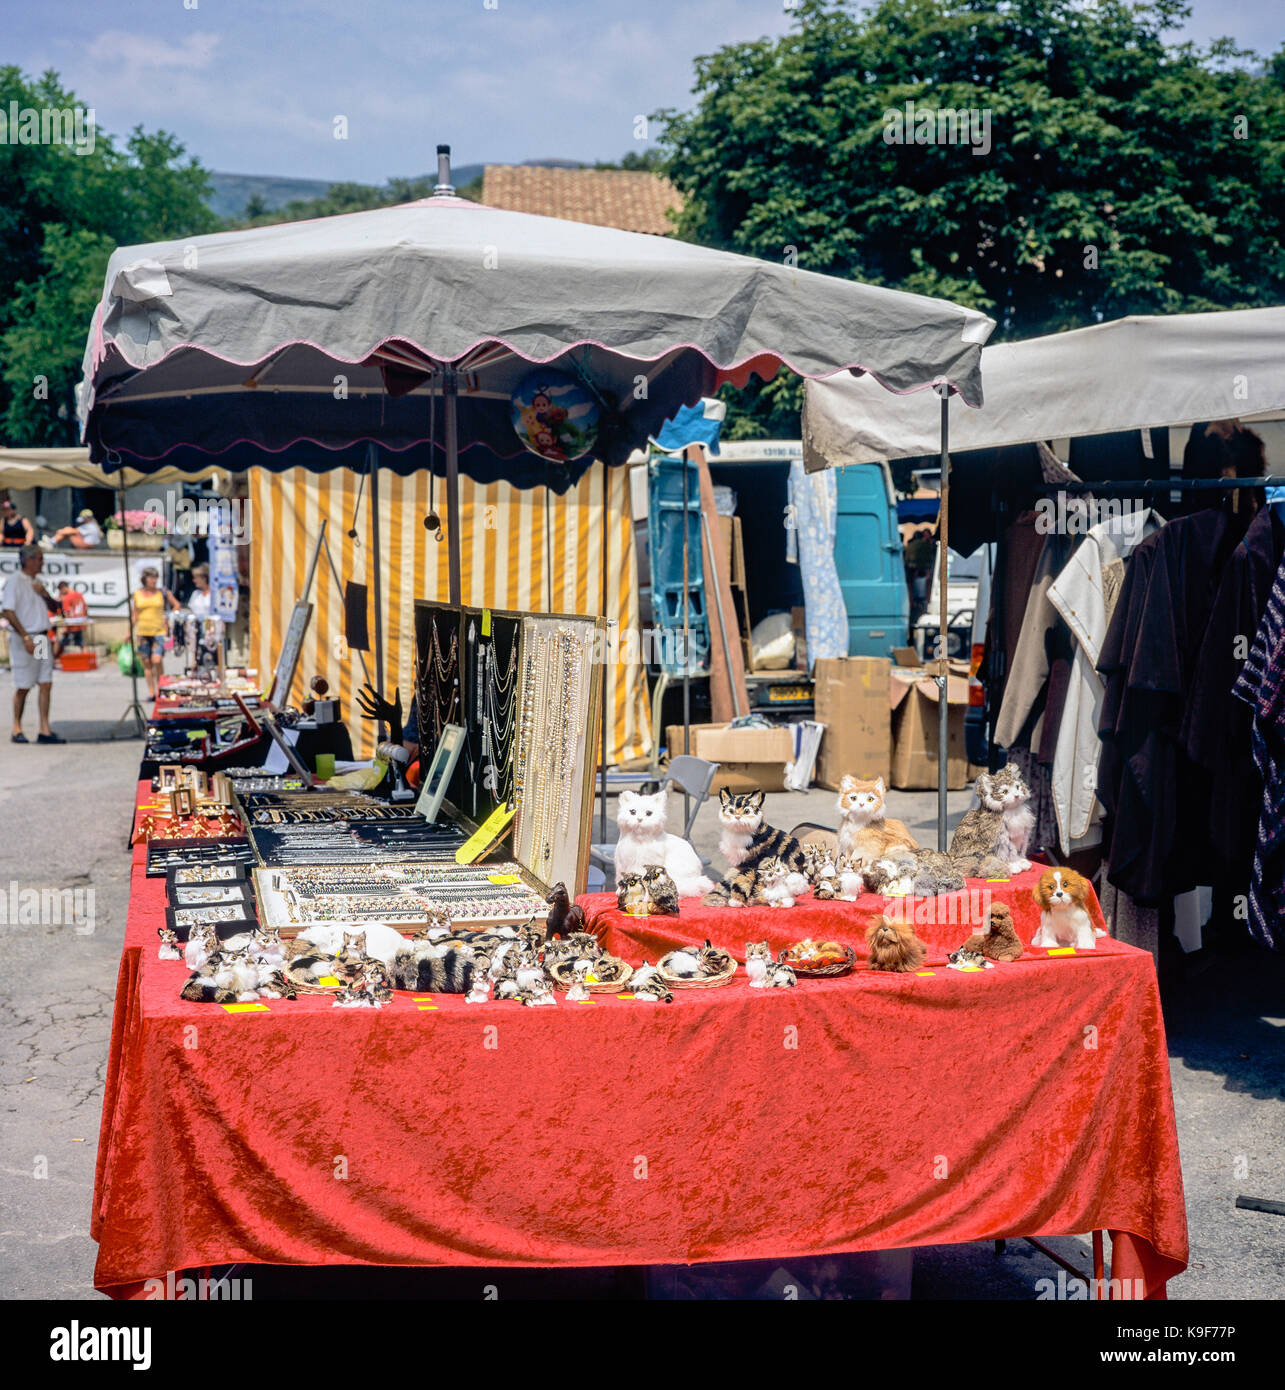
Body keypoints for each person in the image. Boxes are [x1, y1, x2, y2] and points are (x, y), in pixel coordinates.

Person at [2, 543, 63, 743]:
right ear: (28, 560)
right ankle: (16, 728)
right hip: (26, 638)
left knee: (45, 682)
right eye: (39, 558)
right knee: (24, 685)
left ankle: (44, 728)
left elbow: (56, 608)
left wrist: (45, 595)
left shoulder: (38, 581)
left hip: (42, 636)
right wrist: (25, 636)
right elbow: (7, 611)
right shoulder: (15, 581)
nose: (42, 562)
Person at [130, 566, 180, 701]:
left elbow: (176, 605)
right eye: (151, 578)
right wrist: (129, 632)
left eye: (155, 578)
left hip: (158, 631)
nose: (154, 581)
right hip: (143, 631)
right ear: (144, 579)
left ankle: (160, 688)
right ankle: (151, 692)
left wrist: (169, 619)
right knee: (147, 663)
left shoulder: (162, 592)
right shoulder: (137, 594)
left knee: (157, 660)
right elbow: (135, 614)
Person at [53, 581, 89, 657]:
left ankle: (55, 659)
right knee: (82, 643)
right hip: (81, 623)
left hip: (72, 625)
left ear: (63, 588)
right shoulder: (79, 595)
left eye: (61, 591)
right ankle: (87, 659)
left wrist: (65, 626)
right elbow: (86, 607)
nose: (61, 593)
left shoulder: (67, 598)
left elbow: (66, 613)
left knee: (61, 643)